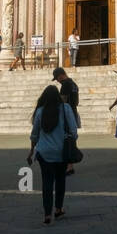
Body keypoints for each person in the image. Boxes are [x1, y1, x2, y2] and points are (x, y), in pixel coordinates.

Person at [28, 83, 76, 224]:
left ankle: (47, 214)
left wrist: (31, 151)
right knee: (60, 180)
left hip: (43, 152)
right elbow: (73, 131)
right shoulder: (65, 108)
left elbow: (34, 134)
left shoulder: (40, 111)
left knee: (47, 182)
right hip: (61, 152)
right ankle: (58, 209)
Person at [53, 67, 81, 173]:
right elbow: (76, 101)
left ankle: (69, 166)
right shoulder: (73, 84)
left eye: (57, 78)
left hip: (66, 114)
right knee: (71, 138)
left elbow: (63, 101)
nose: (57, 81)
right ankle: (70, 164)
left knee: (67, 138)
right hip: (73, 112)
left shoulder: (65, 84)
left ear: (61, 75)